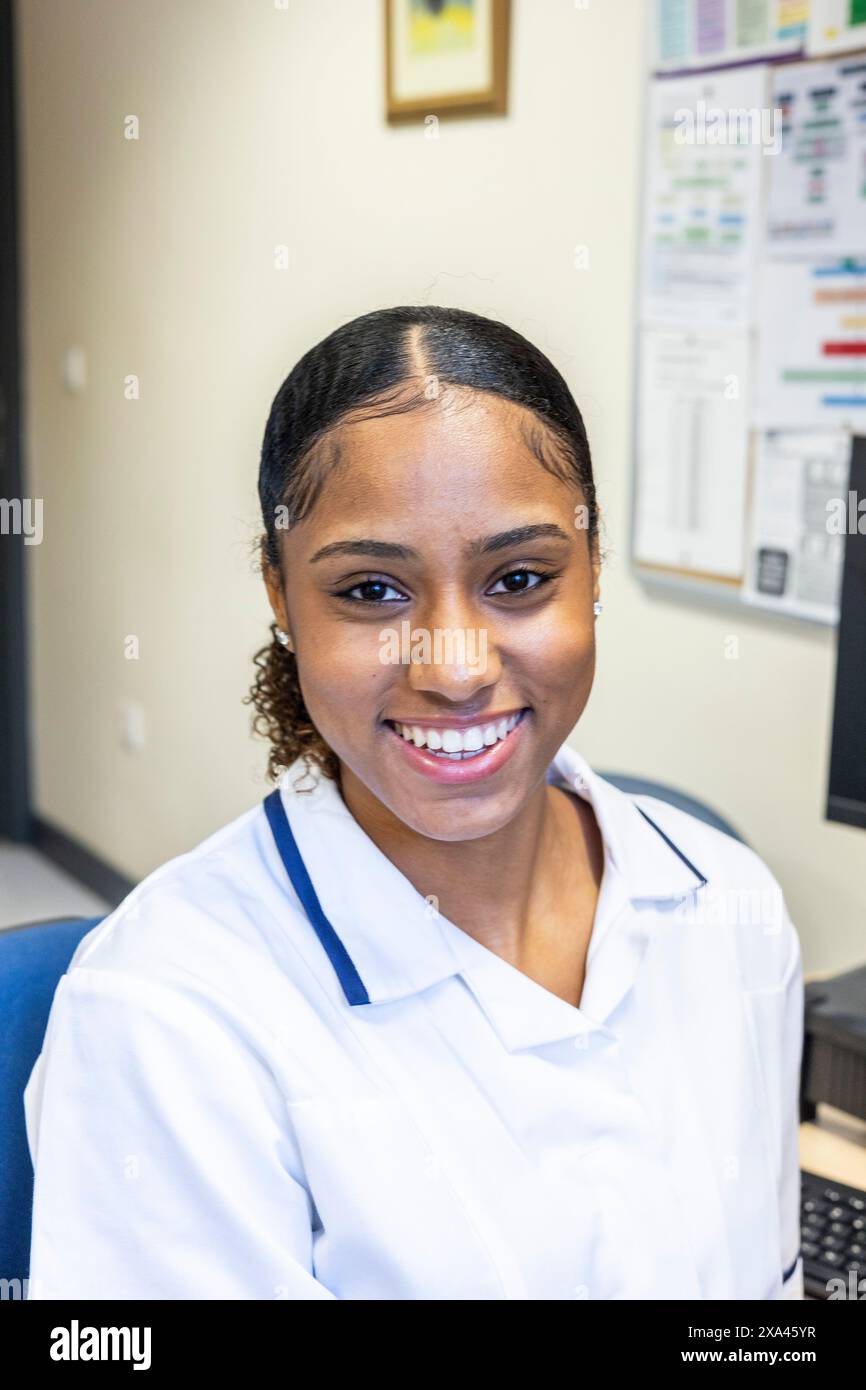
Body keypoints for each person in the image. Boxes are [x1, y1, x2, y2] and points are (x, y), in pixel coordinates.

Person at [24, 306, 804, 1300]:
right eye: (371, 592)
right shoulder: (167, 1012)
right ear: (279, 594)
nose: (455, 669)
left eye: (518, 578)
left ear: (594, 568)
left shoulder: (727, 906)